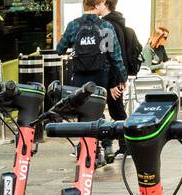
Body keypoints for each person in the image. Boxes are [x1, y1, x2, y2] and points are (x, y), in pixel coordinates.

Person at [56, 0, 127, 164]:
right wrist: (121, 78)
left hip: (80, 76)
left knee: (83, 112)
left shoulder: (74, 25)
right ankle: (106, 144)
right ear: (97, 5)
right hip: (100, 75)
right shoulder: (106, 26)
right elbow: (115, 56)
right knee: (97, 110)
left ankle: (89, 151)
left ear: (84, 6)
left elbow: (59, 49)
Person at [101, 0, 142, 161]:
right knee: (116, 110)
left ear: (104, 4)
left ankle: (123, 147)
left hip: (111, 77)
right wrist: (121, 77)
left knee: (114, 111)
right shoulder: (119, 23)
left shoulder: (108, 25)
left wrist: (113, 82)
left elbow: (110, 55)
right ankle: (124, 147)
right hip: (118, 75)